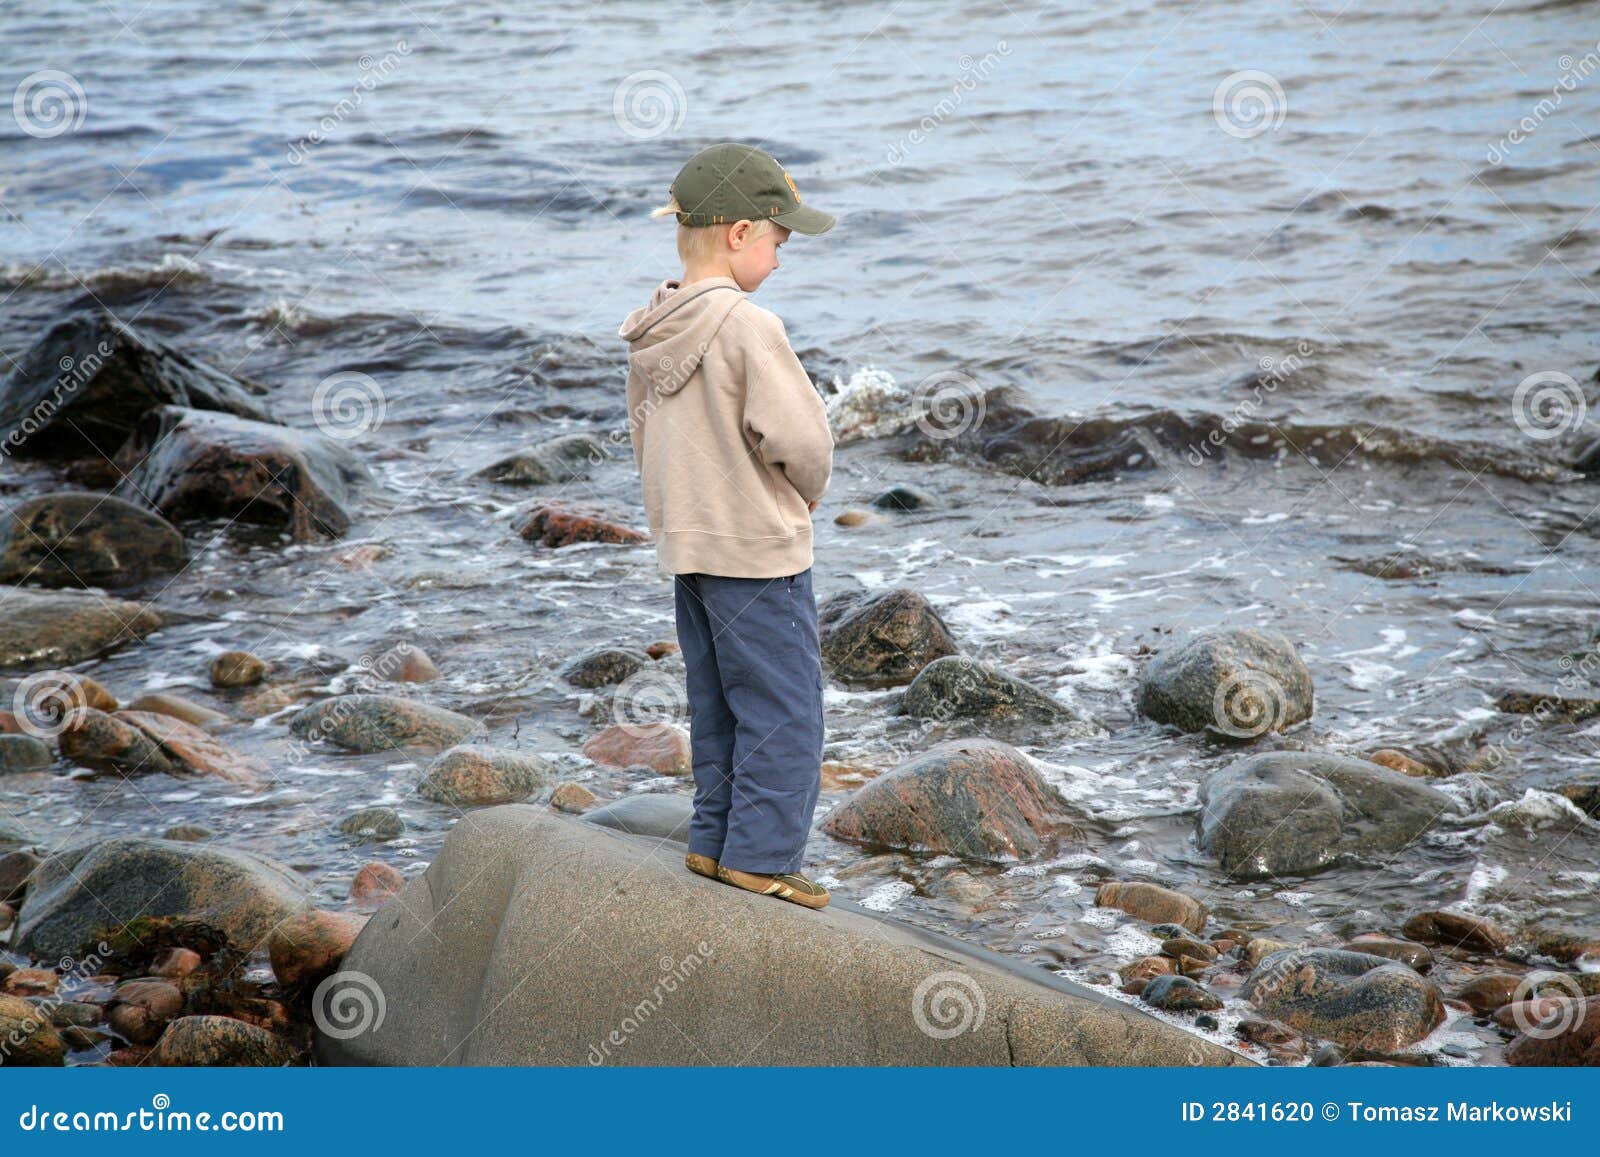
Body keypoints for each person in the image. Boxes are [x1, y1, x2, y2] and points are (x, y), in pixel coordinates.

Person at [617, 142, 837, 909]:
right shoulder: (749, 326)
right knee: (785, 708)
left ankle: (713, 843)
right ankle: (762, 856)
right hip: (758, 553)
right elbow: (802, 439)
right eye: (780, 241)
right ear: (741, 233)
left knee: (715, 702)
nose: (780, 259)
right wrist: (806, 492)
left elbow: (645, 439)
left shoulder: (653, 329)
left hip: (693, 549)